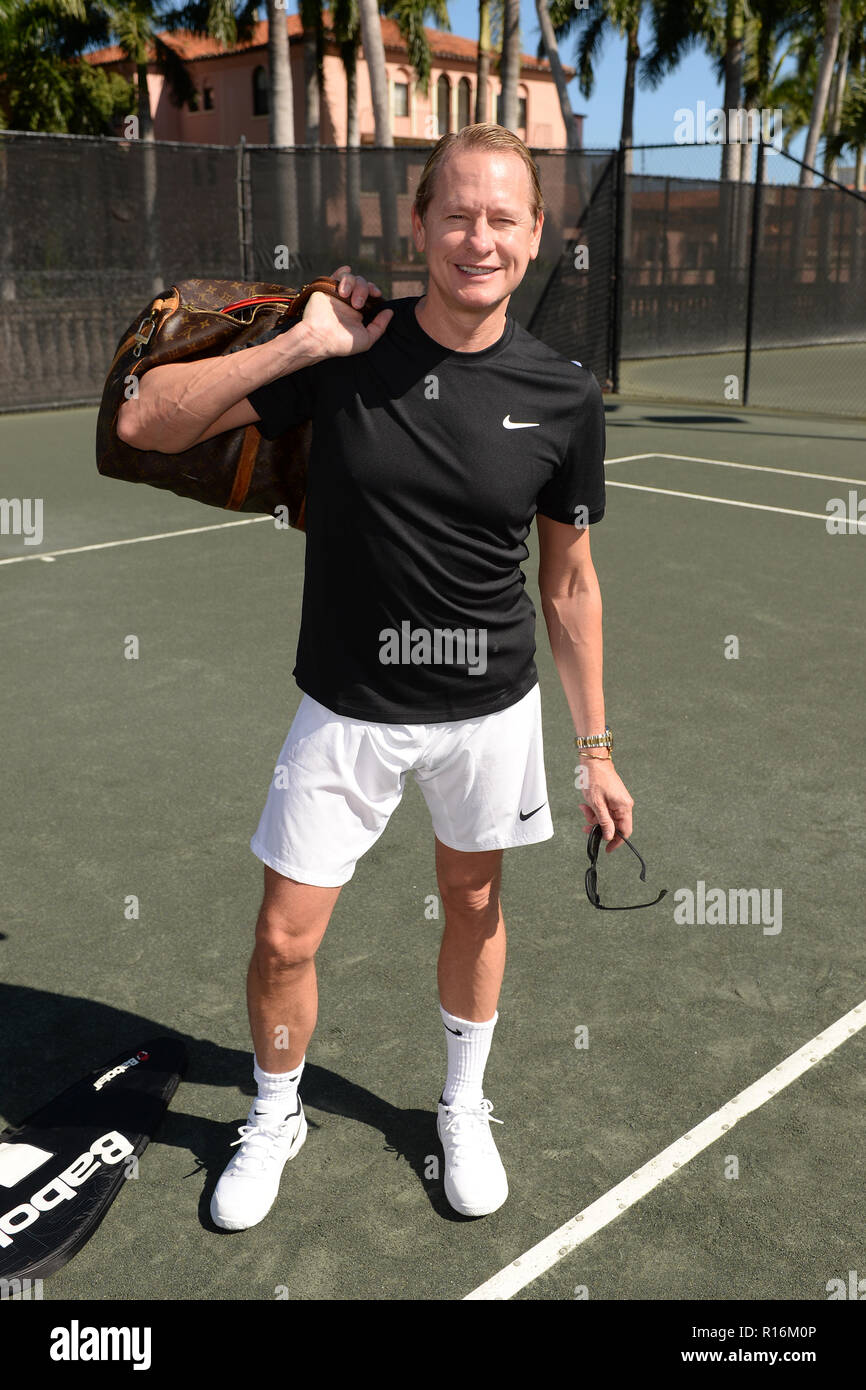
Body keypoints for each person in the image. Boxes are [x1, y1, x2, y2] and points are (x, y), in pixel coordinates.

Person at [116, 122, 634, 1230]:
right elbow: (146, 421)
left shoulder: (562, 396)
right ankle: (274, 1110)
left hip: (489, 711)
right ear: (416, 223)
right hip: (346, 707)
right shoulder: (346, 348)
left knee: (473, 905)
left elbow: (570, 582)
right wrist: (300, 345)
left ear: (535, 234)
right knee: (281, 937)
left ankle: (459, 1103)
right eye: (456, 214)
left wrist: (593, 749)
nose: (477, 238)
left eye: (503, 218)